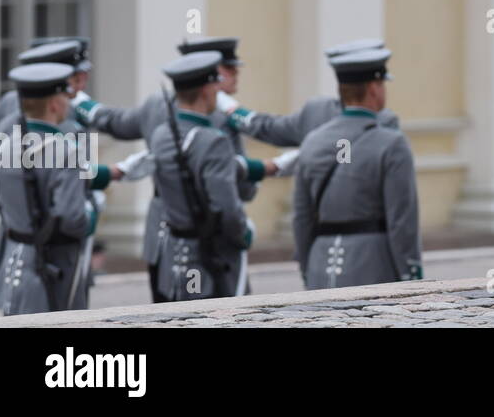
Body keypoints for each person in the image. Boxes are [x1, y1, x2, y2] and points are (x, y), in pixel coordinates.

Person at [74, 35, 285, 301]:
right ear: (213, 75)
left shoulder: (155, 107)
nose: (236, 74)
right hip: (210, 239)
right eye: (229, 69)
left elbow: (115, 123)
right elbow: (237, 190)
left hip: (162, 238)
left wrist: (77, 102)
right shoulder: (220, 116)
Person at [0, 63, 148, 315]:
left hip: (15, 260)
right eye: (66, 97)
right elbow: (73, 220)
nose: (70, 103)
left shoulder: (5, 146)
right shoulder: (64, 151)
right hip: (55, 266)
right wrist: (93, 208)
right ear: (54, 104)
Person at [292, 48, 421, 288]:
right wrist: (410, 272)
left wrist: (306, 267)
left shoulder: (312, 141)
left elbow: (301, 217)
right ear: (374, 88)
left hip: (320, 263)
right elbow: (402, 221)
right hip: (374, 265)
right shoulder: (392, 143)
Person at [149, 51, 254, 302]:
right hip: (211, 260)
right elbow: (226, 208)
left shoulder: (161, 134)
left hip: (175, 256)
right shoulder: (213, 141)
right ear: (207, 89)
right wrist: (244, 234)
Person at [224, 38, 399, 148]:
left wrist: (234, 113)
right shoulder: (384, 122)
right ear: (373, 88)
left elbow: (268, 127)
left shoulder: (316, 111)